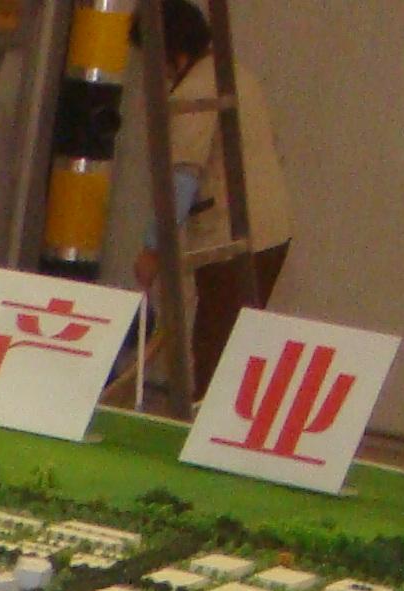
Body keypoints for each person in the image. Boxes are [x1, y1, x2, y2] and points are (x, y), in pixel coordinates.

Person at [135, 0, 291, 388]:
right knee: (233, 346)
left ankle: (205, 421)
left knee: (215, 352)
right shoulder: (234, 74)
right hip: (270, 231)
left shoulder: (194, 94)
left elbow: (181, 180)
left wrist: (153, 250)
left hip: (234, 237)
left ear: (173, 52)